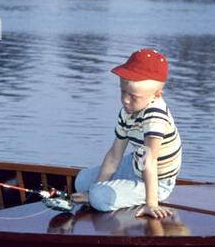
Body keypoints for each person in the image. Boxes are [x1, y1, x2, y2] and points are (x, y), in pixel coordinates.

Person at [72, 48, 182, 219]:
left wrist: (151, 204)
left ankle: (147, 195)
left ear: (157, 95)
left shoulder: (155, 116)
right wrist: (96, 187)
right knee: (81, 181)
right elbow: (115, 155)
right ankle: (100, 192)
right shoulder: (127, 111)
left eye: (133, 96)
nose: (125, 99)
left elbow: (150, 161)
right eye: (122, 91)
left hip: (157, 180)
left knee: (99, 199)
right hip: (134, 165)